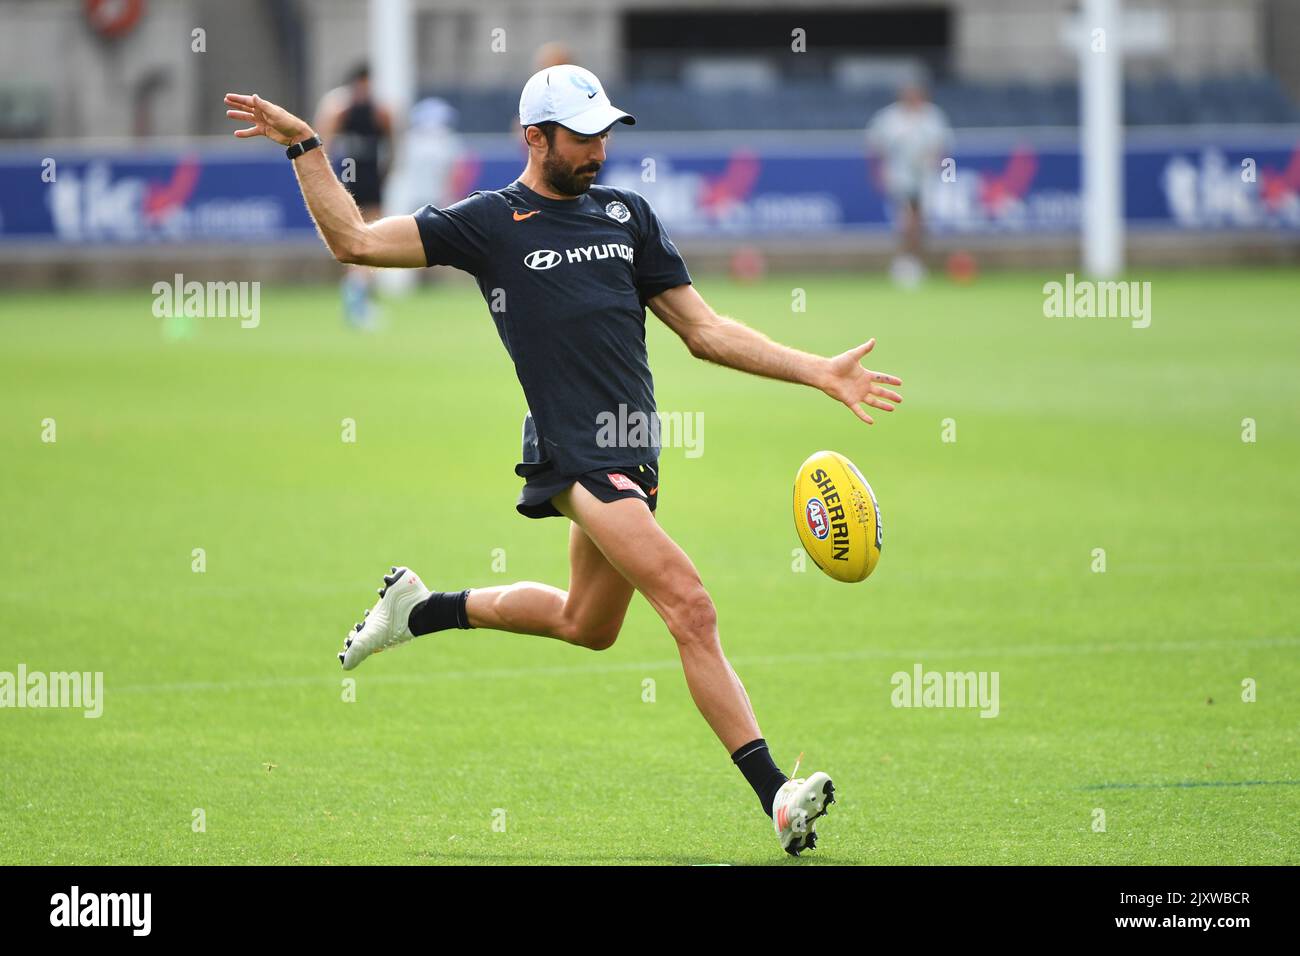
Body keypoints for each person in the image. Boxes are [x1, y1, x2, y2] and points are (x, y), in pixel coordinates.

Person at [223, 63, 903, 856]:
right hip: (574, 453)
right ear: (534, 138)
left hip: (634, 453)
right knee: (690, 604)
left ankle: (420, 608)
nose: (598, 150)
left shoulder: (627, 215)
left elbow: (706, 331)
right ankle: (775, 795)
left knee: (589, 624)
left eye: (604, 134)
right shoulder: (489, 221)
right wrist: (306, 144)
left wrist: (818, 370)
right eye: (581, 137)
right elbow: (354, 241)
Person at [314, 64, 394, 327]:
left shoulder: (377, 109)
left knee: (372, 235)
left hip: (369, 176)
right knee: (359, 236)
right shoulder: (339, 107)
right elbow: (321, 142)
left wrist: (386, 173)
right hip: (352, 177)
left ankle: (358, 296)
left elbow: (392, 142)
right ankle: (356, 296)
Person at [866, 80, 952, 287]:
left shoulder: (933, 117)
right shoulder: (888, 118)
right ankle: (905, 263)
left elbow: (942, 147)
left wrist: (938, 164)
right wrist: (878, 173)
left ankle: (915, 261)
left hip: (925, 177)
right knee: (907, 219)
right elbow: (874, 147)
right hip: (899, 176)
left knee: (920, 222)